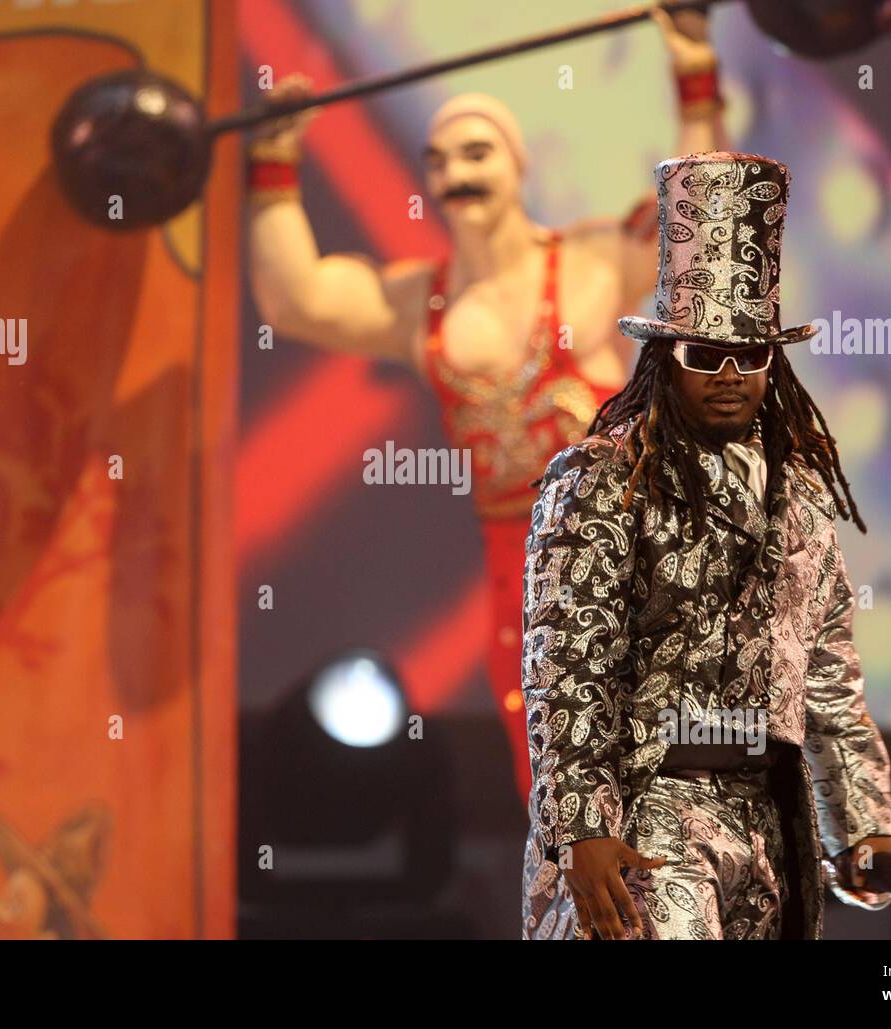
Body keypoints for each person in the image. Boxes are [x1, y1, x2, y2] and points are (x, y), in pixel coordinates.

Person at [246, 9, 726, 804]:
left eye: (477, 153)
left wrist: (694, 70)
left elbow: (703, 224)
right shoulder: (419, 303)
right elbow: (298, 301)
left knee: (668, 770)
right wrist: (272, 161)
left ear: (519, 166)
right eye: (438, 160)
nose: (455, 174)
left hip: (636, 540)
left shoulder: (592, 259)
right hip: (524, 571)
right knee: (564, 786)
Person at [520, 152, 891, 940]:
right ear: (666, 355)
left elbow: (827, 675)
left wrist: (863, 824)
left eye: (751, 353)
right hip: (649, 813)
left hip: (767, 821)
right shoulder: (605, 477)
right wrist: (581, 825)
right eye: (705, 354)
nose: (729, 373)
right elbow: (567, 661)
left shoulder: (799, 497)